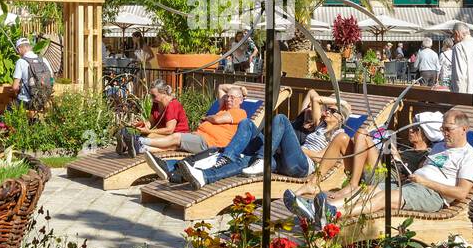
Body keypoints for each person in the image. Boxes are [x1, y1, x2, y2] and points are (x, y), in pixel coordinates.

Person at [289, 107, 473, 227]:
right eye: (443, 129)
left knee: (383, 198)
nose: (444, 133)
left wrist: (425, 181)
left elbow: (461, 193)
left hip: (431, 194)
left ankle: (332, 214)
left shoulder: (469, 155)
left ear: (463, 129)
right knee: (369, 190)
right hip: (410, 184)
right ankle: (319, 209)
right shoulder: (439, 147)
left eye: (448, 129)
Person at [175, 100, 354, 189]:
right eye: (327, 110)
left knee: (281, 119)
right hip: (281, 158)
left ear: (342, 118)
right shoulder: (318, 125)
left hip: (302, 166)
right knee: (246, 125)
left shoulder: (340, 135)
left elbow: (325, 157)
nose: (327, 113)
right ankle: (206, 176)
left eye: (333, 111)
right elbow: (314, 99)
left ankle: (262, 159)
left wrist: (300, 149)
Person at [142, 85, 249, 171]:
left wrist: (207, 118)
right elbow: (221, 87)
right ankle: (143, 148)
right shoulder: (223, 108)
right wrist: (241, 88)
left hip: (210, 143)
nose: (228, 99)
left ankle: (140, 141)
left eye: (232, 97)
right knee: (172, 146)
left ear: (240, 100)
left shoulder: (240, 113)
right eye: (227, 96)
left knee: (176, 137)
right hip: (200, 137)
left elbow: (216, 120)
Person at [117, 79, 188, 155]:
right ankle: (130, 145)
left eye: (153, 96)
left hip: (177, 137)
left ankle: (136, 146)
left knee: (150, 135)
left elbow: (169, 130)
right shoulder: (156, 103)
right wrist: (143, 125)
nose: (152, 98)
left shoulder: (173, 105)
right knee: (147, 135)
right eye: (151, 95)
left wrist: (149, 131)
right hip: (166, 135)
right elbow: (151, 122)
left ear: (163, 93)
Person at [11, 36, 55, 109]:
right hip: (43, 101)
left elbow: (15, 87)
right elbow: (51, 79)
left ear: (19, 49)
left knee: (7, 112)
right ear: (30, 47)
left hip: (27, 102)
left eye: (17, 50)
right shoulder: (43, 60)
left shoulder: (21, 61)